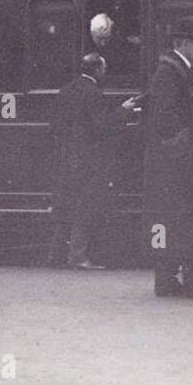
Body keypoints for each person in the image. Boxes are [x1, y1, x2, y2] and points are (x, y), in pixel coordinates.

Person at [142, 15, 193, 299]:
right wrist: (189, 159)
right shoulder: (172, 72)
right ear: (188, 43)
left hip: (181, 163)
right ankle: (191, 281)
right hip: (182, 165)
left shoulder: (179, 69)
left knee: (178, 221)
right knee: (188, 220)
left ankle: (170, 281)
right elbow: (168, 124)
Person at [49, 52, 134, 269]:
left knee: (67, 205)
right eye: (104, 69)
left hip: (68, 156)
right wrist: (123, 111)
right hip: (88, 159)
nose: (105, 73)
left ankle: (56, 256)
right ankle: (78, 257)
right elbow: (101, 128)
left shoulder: (66, 90)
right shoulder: (93, 93)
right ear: (97, 70)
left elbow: (57, 126)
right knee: (85, 207)